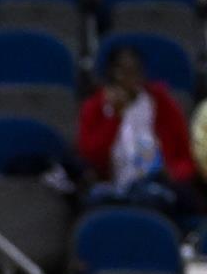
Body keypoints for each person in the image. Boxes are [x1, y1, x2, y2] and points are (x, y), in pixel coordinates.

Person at [80, 45, 197, 217]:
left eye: (134, 70)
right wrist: (115, 118)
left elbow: (186, 157)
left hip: (155, 183)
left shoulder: (161, 103)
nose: (129, 78)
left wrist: (173, 173)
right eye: (123, 71)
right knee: (97, 199)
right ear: (111, 73)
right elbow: (90, 155)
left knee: (150, 197)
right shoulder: (96, 107)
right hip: (112, 186)